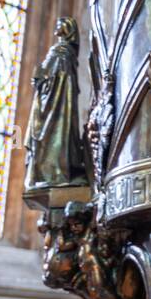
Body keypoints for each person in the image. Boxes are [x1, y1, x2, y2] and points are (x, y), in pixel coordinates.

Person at [24, 17, 87, 189]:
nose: (57, 27)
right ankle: (51, 172)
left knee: (52, 134)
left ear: (68, 30)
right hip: (55, 101)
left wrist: (39, 77)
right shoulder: (66, 53)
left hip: (55, 103)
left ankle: (53, 172)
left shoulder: (61, 51)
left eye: (60, 25)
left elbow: (51, 77)